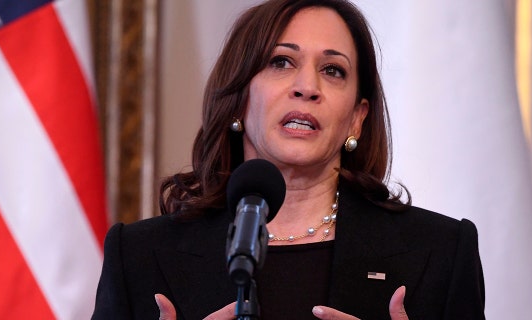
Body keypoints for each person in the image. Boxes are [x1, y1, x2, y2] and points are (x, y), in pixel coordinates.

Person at [92, 0, 486, 319]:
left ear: (356, 119)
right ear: (238, 100)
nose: (307, 87)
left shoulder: (442, 253)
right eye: (281, 62)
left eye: (333, 70)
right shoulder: (139, 256)